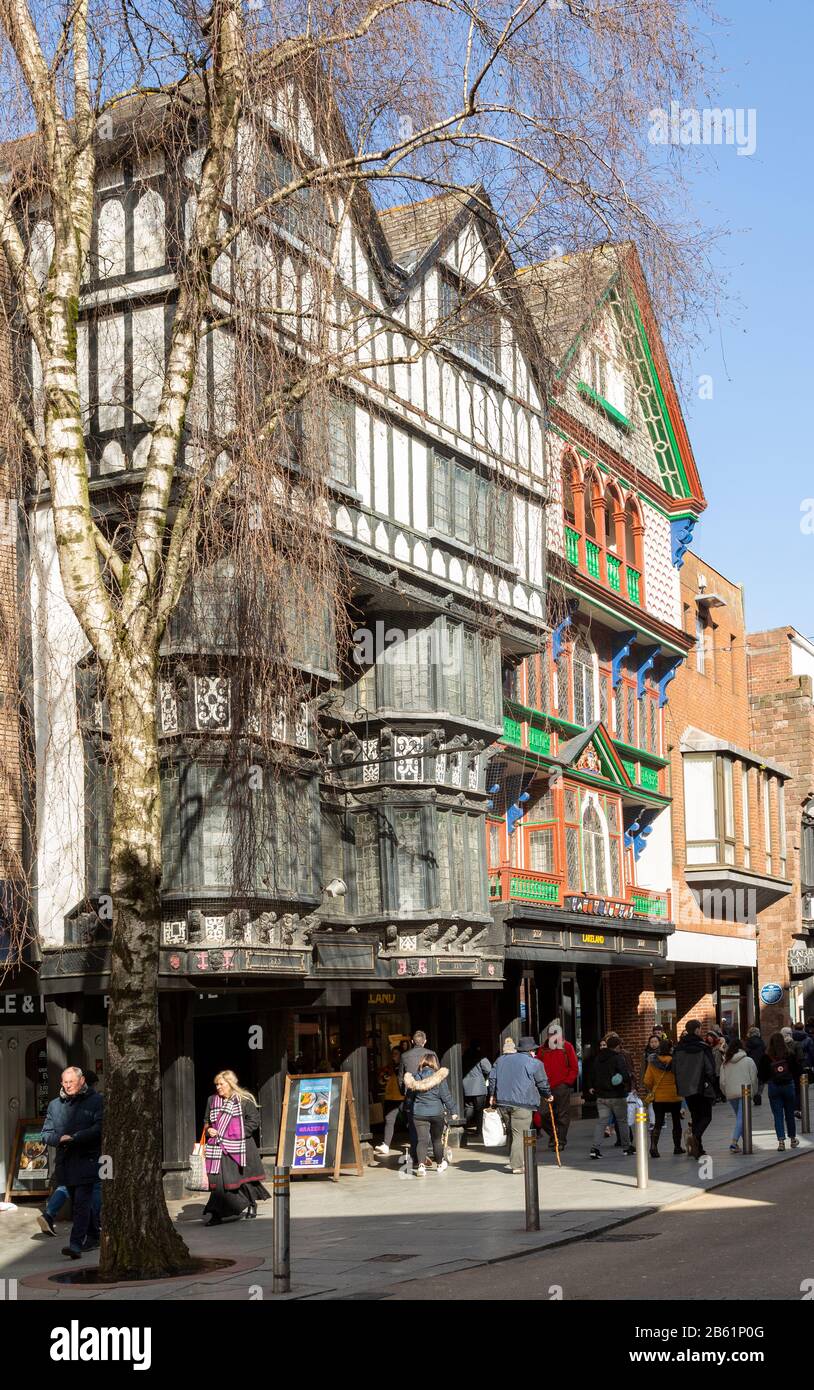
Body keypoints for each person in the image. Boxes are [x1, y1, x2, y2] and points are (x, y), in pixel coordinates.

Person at [40, 1065, 104, 1260]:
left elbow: (100, 1127)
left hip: (88, 1158)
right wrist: (58, 1139)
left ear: (82, 1081)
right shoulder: (54, 1105)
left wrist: (76, 1137)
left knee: (81, 1203)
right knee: (79, 1200)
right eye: (65, 1082)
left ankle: (75, 1244)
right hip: (66, 1161)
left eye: (72, 1082)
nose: (68, 1086)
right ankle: (93, 1235)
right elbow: (45, 1133)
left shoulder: (96, 1101)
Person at [202, 1070, 270, 1224]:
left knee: (244, 1180)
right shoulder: (212, 1100)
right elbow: (207, 1121)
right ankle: (217, 1214)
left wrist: (234, 1134)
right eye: (216, 1084)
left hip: (241, 1146)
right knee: (219, 1183)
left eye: (221, 1084)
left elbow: (254, 1121)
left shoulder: (244, 1100)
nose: (218, 1087)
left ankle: (252, 1204)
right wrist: (209, 1129)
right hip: (219, 1148)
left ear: (230, 1084)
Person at [488, 1036, 552, 1173]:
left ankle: (514, 1157)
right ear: (530, 1051)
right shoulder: (534, 1063)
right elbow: (543, 1083)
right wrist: (548, 1096)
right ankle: (517, 1165)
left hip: (503, 1102)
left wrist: (492, 1095)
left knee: (512, 1131)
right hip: (523, 1103)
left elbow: (492, 1078)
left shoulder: (501, 1060)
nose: (535, 1053)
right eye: (534, 1050)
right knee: (519, 1134)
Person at [402, 1054, 457, 1175]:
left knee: (422, 1140)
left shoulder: (415, 1078)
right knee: (437, 1140)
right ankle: (439, 1165)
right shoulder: (439, 1078)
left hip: (419, 1113)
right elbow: (446, 1096)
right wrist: (453, 1111)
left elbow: (409, 1099)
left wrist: (407, 1110)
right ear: (434, 1063)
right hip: (436, 1113)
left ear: (422, 1063)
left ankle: (421, 1166)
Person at [672, 1021, 717, 1158]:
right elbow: (710, 1068)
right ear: (697, 1030)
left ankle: (698, 1148)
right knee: (706, 1116)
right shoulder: (703, 1047)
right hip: (701, 1087)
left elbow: (674, 1069)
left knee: (696, 1116)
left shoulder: (678, 1049)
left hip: (686, 1088)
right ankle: (695, 1137)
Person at [588, 1033, 634, 1158]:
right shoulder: (618, 1058)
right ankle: (627, 1147)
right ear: (618, 1046)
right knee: (622, 1121)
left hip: (601, 1096)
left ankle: (595, 1149)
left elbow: (593, 1074)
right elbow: (625, 1075)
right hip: (617, 1095)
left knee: (601, 1122)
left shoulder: (598, 1058)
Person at [535, 1025, 578, 1150]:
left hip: (561, 1086)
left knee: (562, 1114)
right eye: (551, 1034)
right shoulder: (542, 1049)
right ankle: (554, 1135)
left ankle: (561, 1141)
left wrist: (567, 1083)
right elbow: (537, 1066)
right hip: (546, 1086)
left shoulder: (567, 1047)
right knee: (542, 1115)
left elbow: (574, 1067)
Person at [758, 1033, 801, 1151]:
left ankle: (781, 1141)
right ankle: (793, 1139)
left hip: (774, 1087)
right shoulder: (790, 1054)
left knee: (778, 1115)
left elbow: (761, 1075)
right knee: (789, 1115)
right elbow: (798, 1071)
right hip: (788, 1086)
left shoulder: (766, 1056)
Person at [642, 1039, 684, 1157]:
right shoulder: (675, 1061)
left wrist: (654, 1087)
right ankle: (677, 1147)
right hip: (674, 1096)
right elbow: (681, 1077)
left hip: (659, 1097)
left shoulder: (652, 1062)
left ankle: (654, 1147)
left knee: (658, 1122)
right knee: (676, 1122)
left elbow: (647, 1080)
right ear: (671, 1048)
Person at [719, 1038, 759, 1153]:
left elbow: (722, 1082)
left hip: (731, 1094)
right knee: (742, 1118)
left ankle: (746, 1141)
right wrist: (754, 1092)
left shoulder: (725, 1063)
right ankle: (734, 1142)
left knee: (740, 1119)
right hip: (745, 1093)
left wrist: (725, 1092)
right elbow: (754, 1078)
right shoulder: (748, 1061)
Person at [375, 1046, 405, 1155]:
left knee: (411, 1121)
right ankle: (386, 1145)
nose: (394, 1055)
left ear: (401, 1055)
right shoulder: (389, 1067)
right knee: (389, 1120)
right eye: (393, 1053)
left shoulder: (403, 1066)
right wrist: (383, 1077)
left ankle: (417, 1144)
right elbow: (381, 1080)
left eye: (396, 1053)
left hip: (402, 1097)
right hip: (391, 1097)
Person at [461, 1040, 492, 1137]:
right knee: (479, 1110)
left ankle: (463, 1126)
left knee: (469, 1108)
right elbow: (489, 1069)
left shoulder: (464, 1056)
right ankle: (479, 1131)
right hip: (479, 1087)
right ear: (478, 1047)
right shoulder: (481, 1056)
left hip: (466, 1086)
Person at [745, 1027, 766, 1105]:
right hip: (761, 1063)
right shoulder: (761, 1042)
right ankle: (758, 1095)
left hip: (751, 1063)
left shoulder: (748, 1042)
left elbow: (746, 1052)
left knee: (752, 1080)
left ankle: (753, 1095)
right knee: (760, 1081)